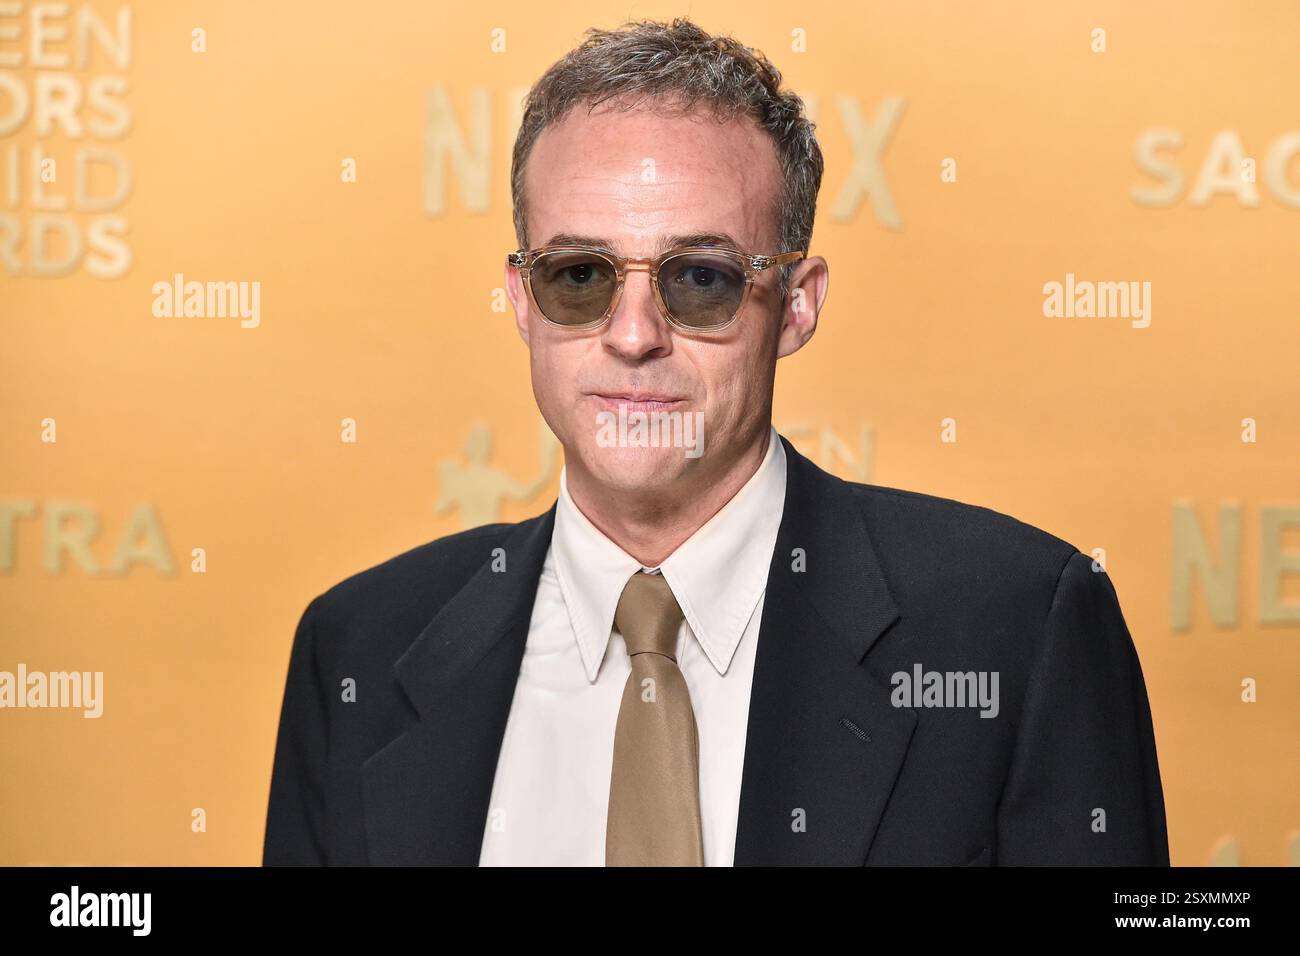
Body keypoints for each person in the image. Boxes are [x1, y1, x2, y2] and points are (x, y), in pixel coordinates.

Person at [263, 17, 1169, 866]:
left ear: (798, 304)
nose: (632, 333)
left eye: (700, 278)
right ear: (519, 301)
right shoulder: (358, 651)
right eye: (579, 276)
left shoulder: (1016, 627)